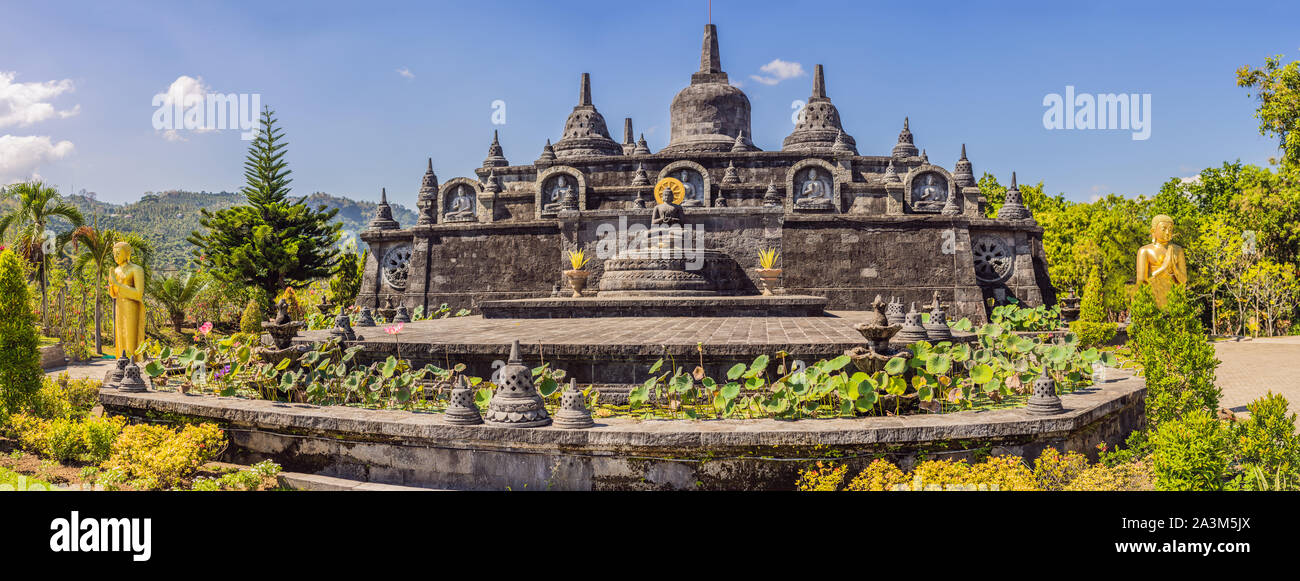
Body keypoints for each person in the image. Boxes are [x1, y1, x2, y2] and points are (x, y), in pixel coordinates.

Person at [1135, 214, 1187, 308]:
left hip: (1173, 298)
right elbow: (1142, 281)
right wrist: (1164, 267)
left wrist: (1174, 268)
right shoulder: (1145, 251)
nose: (1168, 232)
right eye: (1164, 229)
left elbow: (1183, 280)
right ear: (1153, 231)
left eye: (1170, 229)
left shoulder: (1177, 250)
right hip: (1153, 297)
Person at [107, 241, 146, 361]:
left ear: (126, 253)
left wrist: (117, 284)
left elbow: (139, 293)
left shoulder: (136, 269)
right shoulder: (116, 271)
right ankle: (121, 359)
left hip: (131, 306)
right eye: (114, 254)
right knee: (120, 334)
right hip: (119, 306)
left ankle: (132, 361)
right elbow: (113, 294)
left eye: (118, 253)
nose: (116, 256)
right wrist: (111, 285)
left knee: (130, 334)